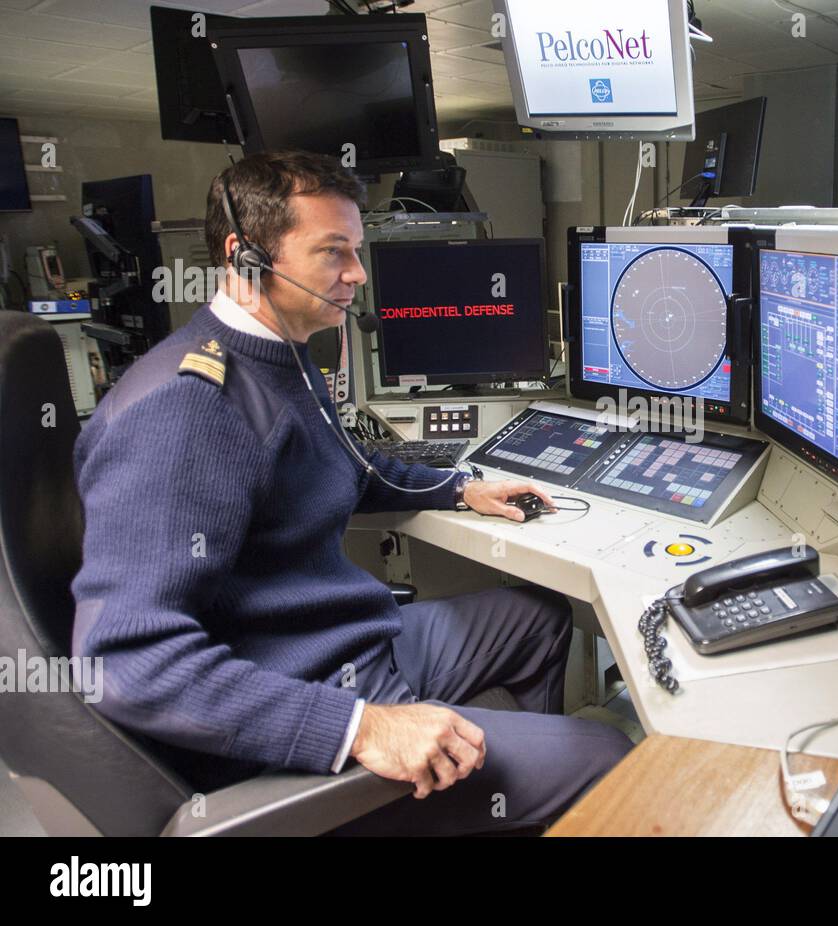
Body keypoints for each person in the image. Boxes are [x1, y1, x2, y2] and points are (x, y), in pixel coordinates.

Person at [70, 150, 632, 835]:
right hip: (301, 698)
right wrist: (360, 727)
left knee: (539, 619)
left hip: (350, 646)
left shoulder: (282, 351)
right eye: (333, 252)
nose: (358, 276)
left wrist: (459, 488)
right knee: (608, 755)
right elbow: (127, 662)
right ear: (245, 258)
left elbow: (346, 466)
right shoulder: (184, 412)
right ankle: (527, 784)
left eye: (356, 250)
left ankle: (497, 810)